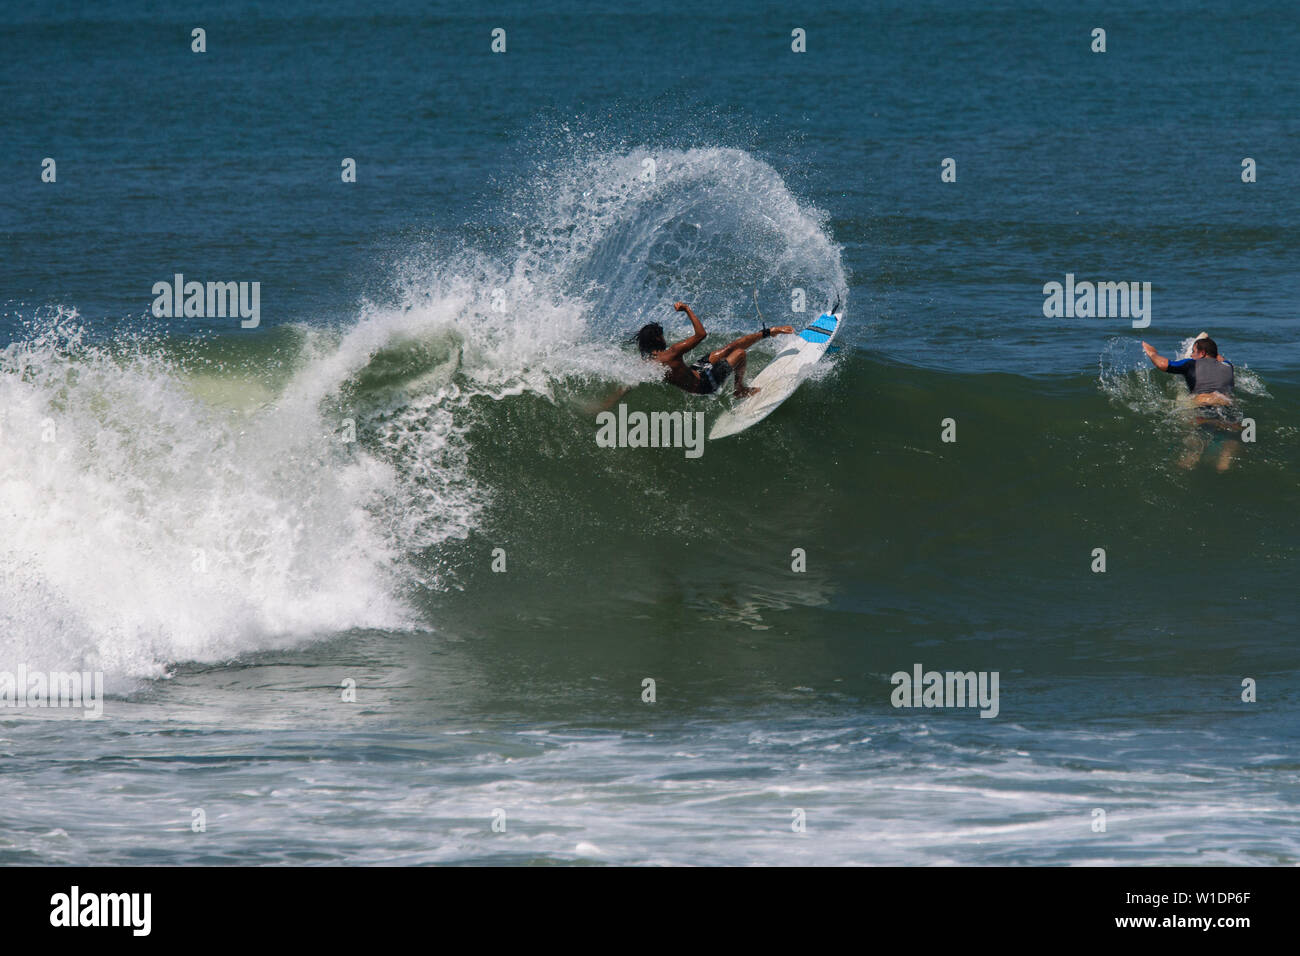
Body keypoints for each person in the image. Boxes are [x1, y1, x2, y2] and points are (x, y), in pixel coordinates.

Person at [637, 302, 793, 398]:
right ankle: (739, 390)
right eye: (662, 336)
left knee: (729, 348)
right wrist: (686, 308)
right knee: (739, 354)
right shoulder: (671, 352)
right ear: (658, 339)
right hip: (705, 385)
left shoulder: (649, 362)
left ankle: (769, 332)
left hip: (696, 372)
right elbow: (701, 334)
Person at [1141, 336, 1242, 471]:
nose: (1192, 355)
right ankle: (1223, 468)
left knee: (1193, 449)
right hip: (1228, 407)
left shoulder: (1191, 364)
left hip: (1204, 407)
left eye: (1194, 352)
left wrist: (1152, 352)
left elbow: (1162, 364)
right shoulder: (1228, 366)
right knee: (1228, 447)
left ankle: (1185, 471)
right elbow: (1218, 357)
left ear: (1202, 353)